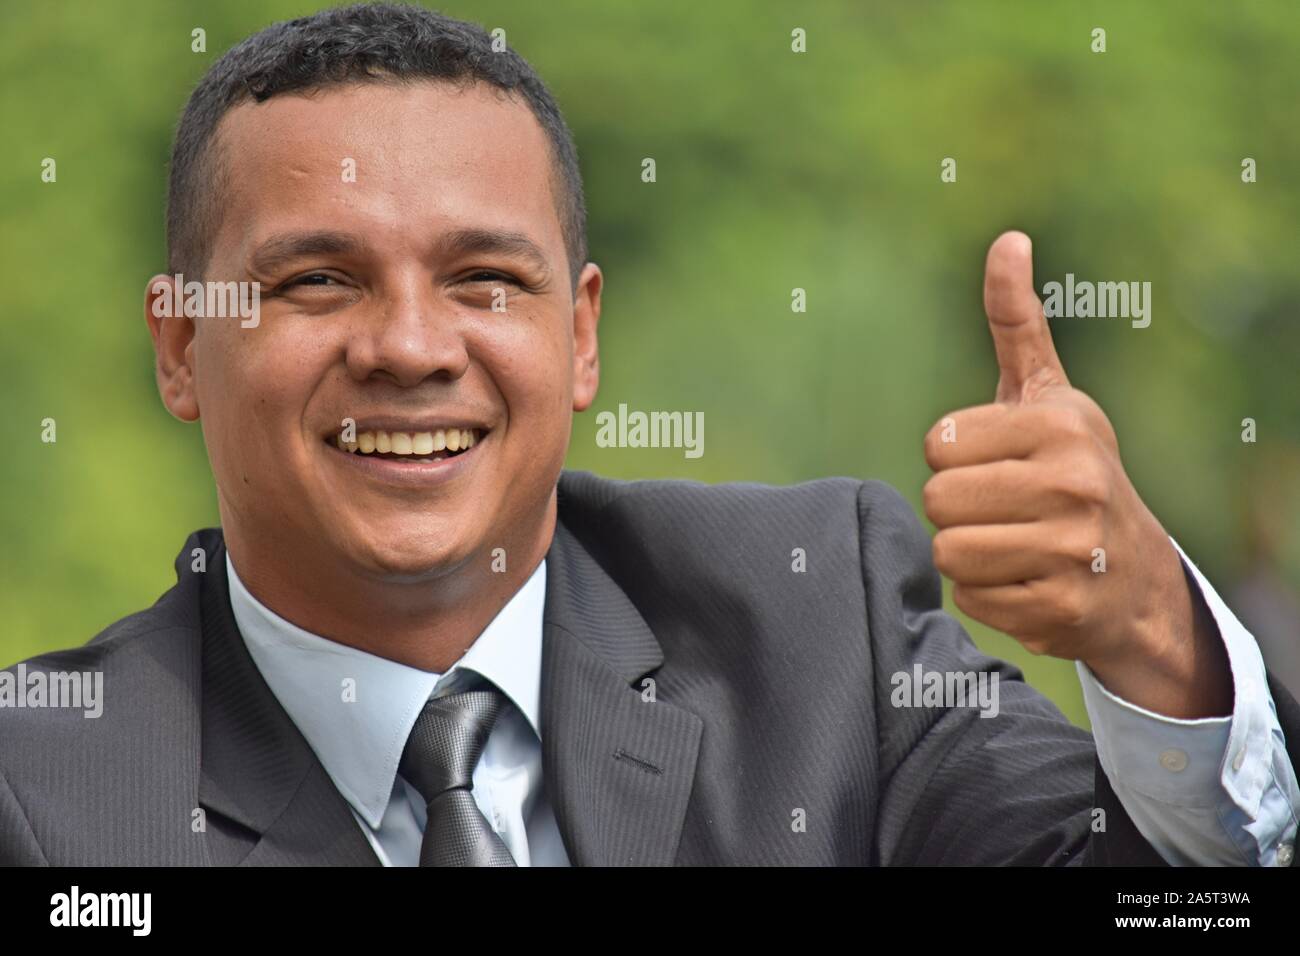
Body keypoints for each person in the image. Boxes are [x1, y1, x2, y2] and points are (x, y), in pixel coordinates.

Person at [1, 3, 1296, 866]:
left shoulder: (815, 627)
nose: (407, 347)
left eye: (483, 281)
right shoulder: (49, 796)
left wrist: (1152, 641)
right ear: (181, 345)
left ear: (581, 338)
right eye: (318, 281)